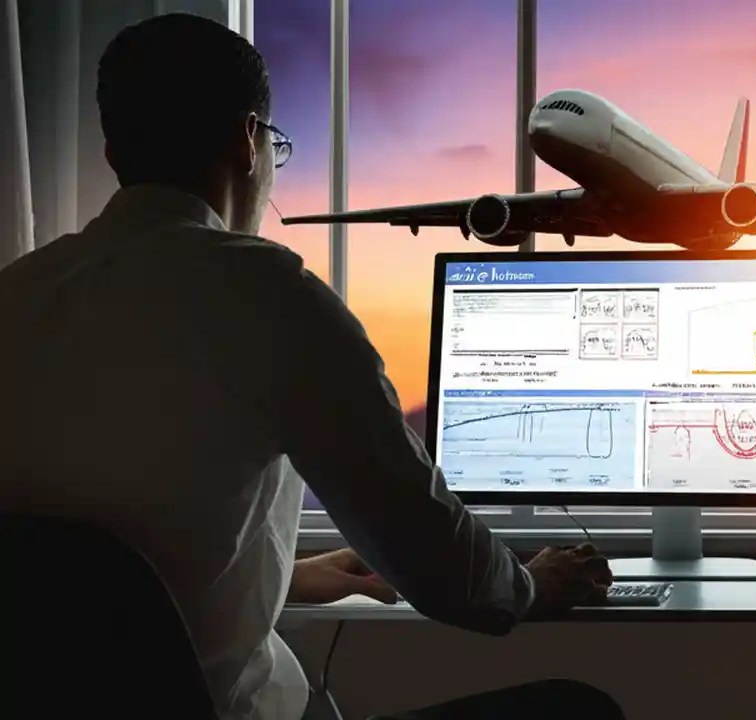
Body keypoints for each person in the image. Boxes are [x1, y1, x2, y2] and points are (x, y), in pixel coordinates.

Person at [0, 13, 619, 720]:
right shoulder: (270, 297)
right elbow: (447, 574)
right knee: (577, 708)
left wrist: (286, 576)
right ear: (248, 140)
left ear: (113, 152)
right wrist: (534, 583)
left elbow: (86, 579)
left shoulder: (18, 295)